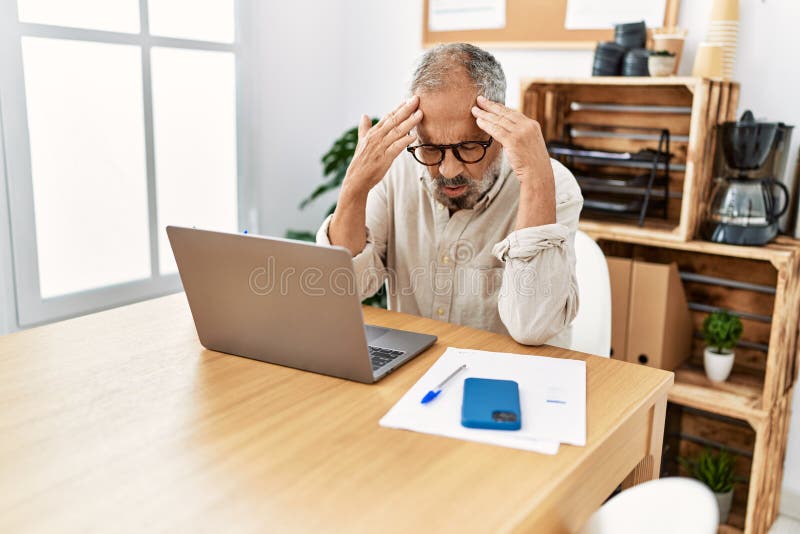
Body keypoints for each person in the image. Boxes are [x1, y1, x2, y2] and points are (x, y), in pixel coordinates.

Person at [316, 43, 583, 346]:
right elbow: (344, 288)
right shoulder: (397, 169)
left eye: (468, 147)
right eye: (430, 148)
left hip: (510, 377)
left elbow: (532, 327)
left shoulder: (552, 185)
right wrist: (354, 189)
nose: (447, 169)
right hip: (418, 374)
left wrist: (536, 183)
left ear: (499, 129)